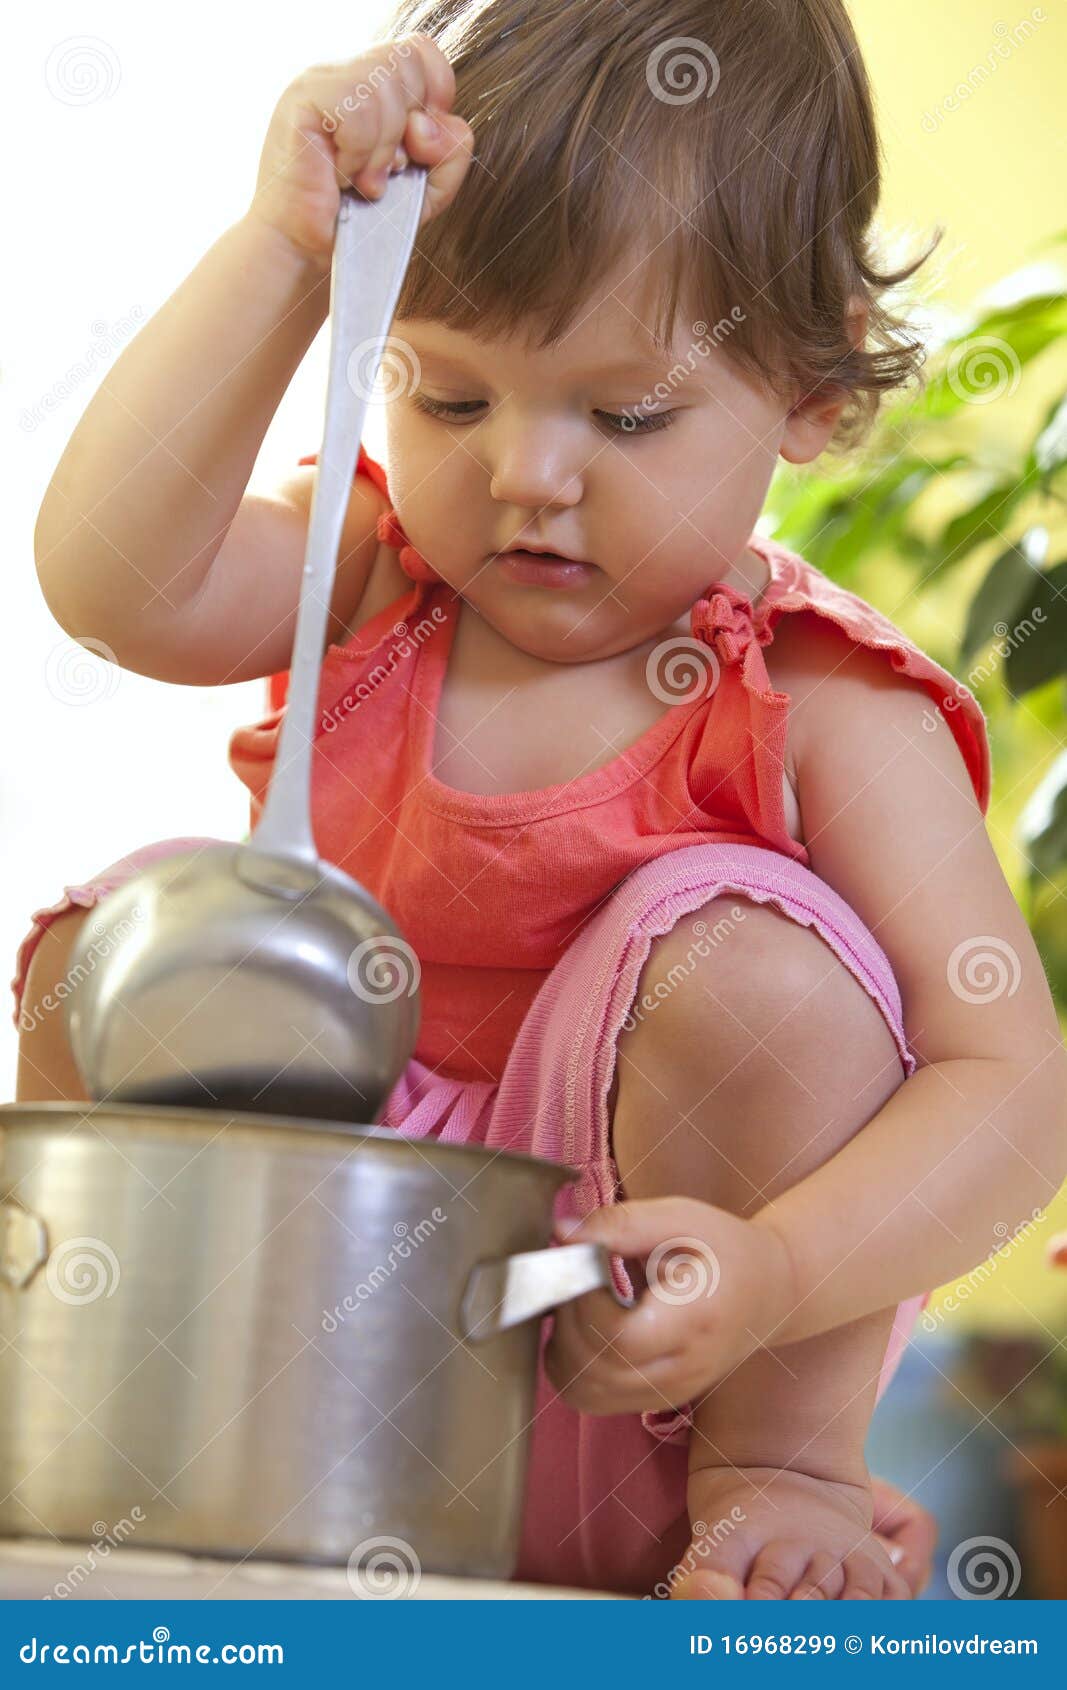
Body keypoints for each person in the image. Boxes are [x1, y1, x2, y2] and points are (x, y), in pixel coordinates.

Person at [18, 4, 1065, 1599]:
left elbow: (1013, 1082)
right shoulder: (370, 573)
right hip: (291, 1385)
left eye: (624, 415)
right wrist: (280, 256)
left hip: (636, 1376)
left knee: (759, 968)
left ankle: (783, 1476)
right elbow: (112, 585)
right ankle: (89, 1433)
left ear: (815, 387)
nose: (524, 474)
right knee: (123, 936)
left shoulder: (822, 703)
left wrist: (774, 1269)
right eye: (448, 398)